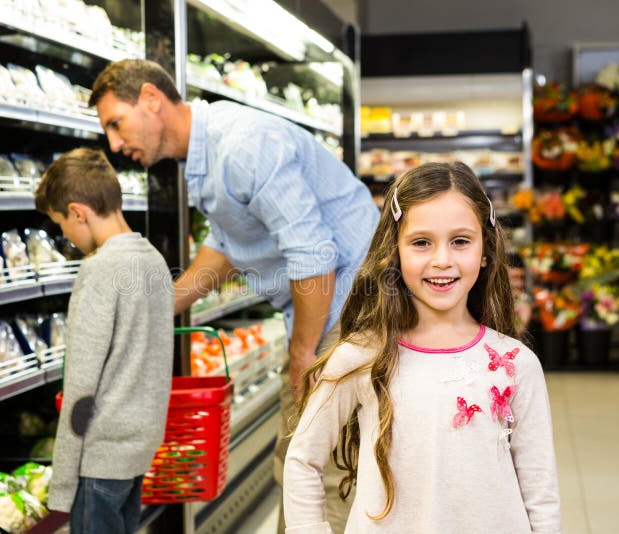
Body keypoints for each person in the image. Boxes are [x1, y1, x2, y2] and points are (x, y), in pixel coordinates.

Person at [88, 58, 379, 532]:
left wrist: (303, 352)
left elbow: (312, 256)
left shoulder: (243, 147)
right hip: (334, 303)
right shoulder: (207, 157)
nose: (116, 145)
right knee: (303, 465)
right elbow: (226, 247)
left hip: (352, 308)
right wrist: (158, 309)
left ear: (150, 99)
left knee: (320, 469)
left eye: (116, 125)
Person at [283, 162, 561, 533]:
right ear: (394, 251)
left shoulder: (515, 363)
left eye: (460, 241)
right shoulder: (362, 356)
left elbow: (540, 491)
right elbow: (303, 461)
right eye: (421, 243)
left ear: (485, 250)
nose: (442, 259)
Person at [36, 147, 174, 534]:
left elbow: (81, 387)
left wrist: (62, 485)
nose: (65, 235)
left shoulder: (99, 270)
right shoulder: (154, 261)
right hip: (136, 451)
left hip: (98, 459)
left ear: (79, 212)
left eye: (61, 223)